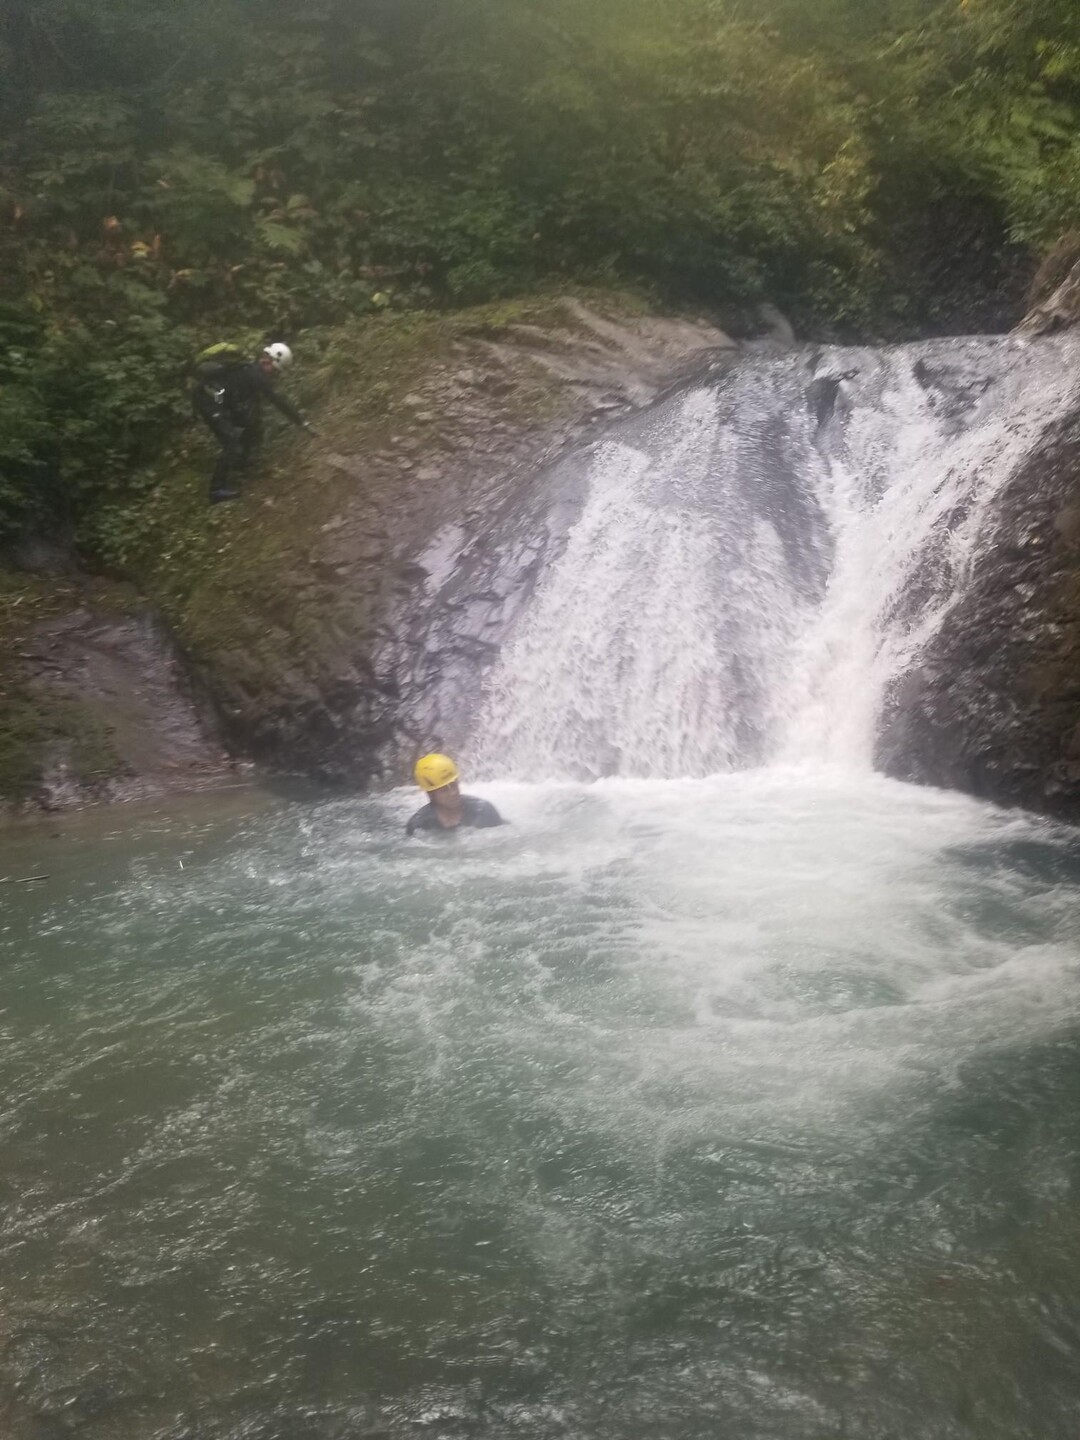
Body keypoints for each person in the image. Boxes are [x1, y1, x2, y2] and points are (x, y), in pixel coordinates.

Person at [192, 342, 318, 504]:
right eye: (275, 370)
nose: (274, 374)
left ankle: (240, 464)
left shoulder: (249, 370)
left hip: (217, 399)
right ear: (269, 361)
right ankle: (216, 490)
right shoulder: (256, 375)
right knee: (230, 439)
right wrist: (302, 423)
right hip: (208, 400)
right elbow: (278, 401)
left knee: (251, 422)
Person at [406, 753, 505, 836]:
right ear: (430, 794)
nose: (453, 792)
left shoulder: (483, 811)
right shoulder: (418, 824)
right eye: (444, 790)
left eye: (453, 785)